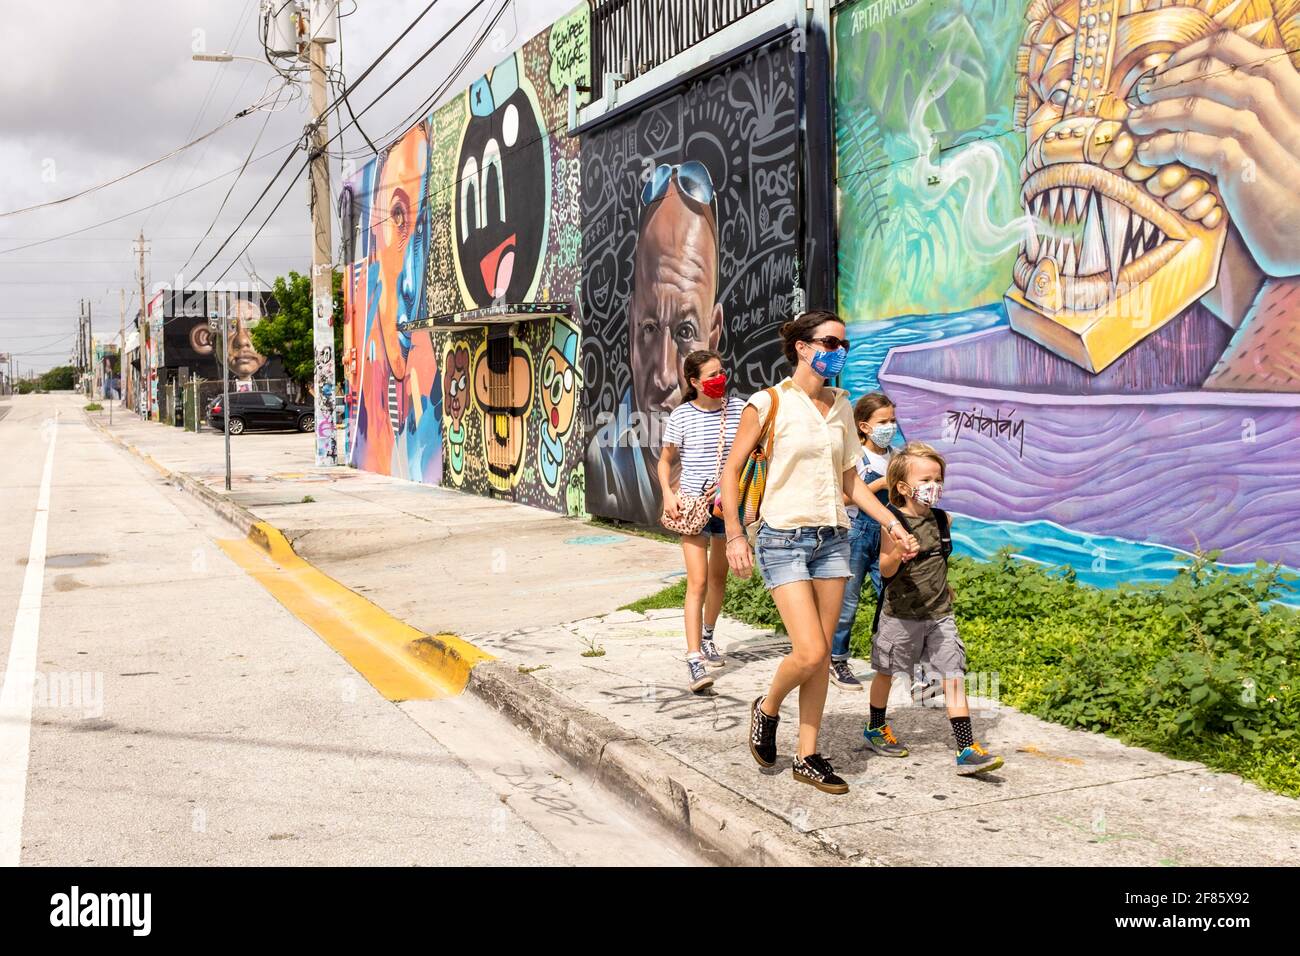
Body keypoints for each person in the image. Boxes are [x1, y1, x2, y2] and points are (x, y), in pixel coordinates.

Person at [721, 311, 919, 795]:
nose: (840, 351)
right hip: (782, 538)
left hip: (833, 538)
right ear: (803, 347)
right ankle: (767, 708)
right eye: (831, 341)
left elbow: (851, 478)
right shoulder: (767, 404)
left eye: (844, 343)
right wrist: (733, 536)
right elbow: (731, 471)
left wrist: (892, 521)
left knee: (823, 653)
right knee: (808, 651)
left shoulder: (842, 406)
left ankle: (807, 756)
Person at [586, 160, 725, 526]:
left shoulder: (735, 430)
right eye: (649, 329)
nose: (664, 375)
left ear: (713, 334)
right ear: (631, 328)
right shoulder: (606, 463)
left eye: (684, 333)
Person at [865, 442, 1004, 776]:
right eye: (925, 479)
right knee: (887, 672)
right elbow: (884, 569)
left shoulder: (944, 519)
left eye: (938, 478)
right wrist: (899, 552)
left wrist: (944, 587)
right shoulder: (894, 522)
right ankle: (875, 726)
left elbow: (938, 560)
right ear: (902, 487)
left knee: (953, 675)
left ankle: (966, 748)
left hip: (940, 615)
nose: (934, 486)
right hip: (900, 616)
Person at [659, 349, 747, 693]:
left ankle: (709, 635)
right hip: (693, 507)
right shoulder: (681, 416)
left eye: (721, 372)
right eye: (711, 375)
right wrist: (668, 494)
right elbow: (665, 461)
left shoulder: (739, 410)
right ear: (694, 382)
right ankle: (694, 657)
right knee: (696, 582)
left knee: (718, 578)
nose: (719, 379)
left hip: (727, 508)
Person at [829, 392, 897, 691]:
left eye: (893, 420)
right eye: (883, 421)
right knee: (848, 600)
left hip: (886, 534)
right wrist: (877, 485)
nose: (890, 426)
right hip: (857, 532)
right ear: (865, 426)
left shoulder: (896, 457)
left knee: (891, 596)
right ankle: (837, 658)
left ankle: (887, 657)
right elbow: (842, 496)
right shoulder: (856, 457)